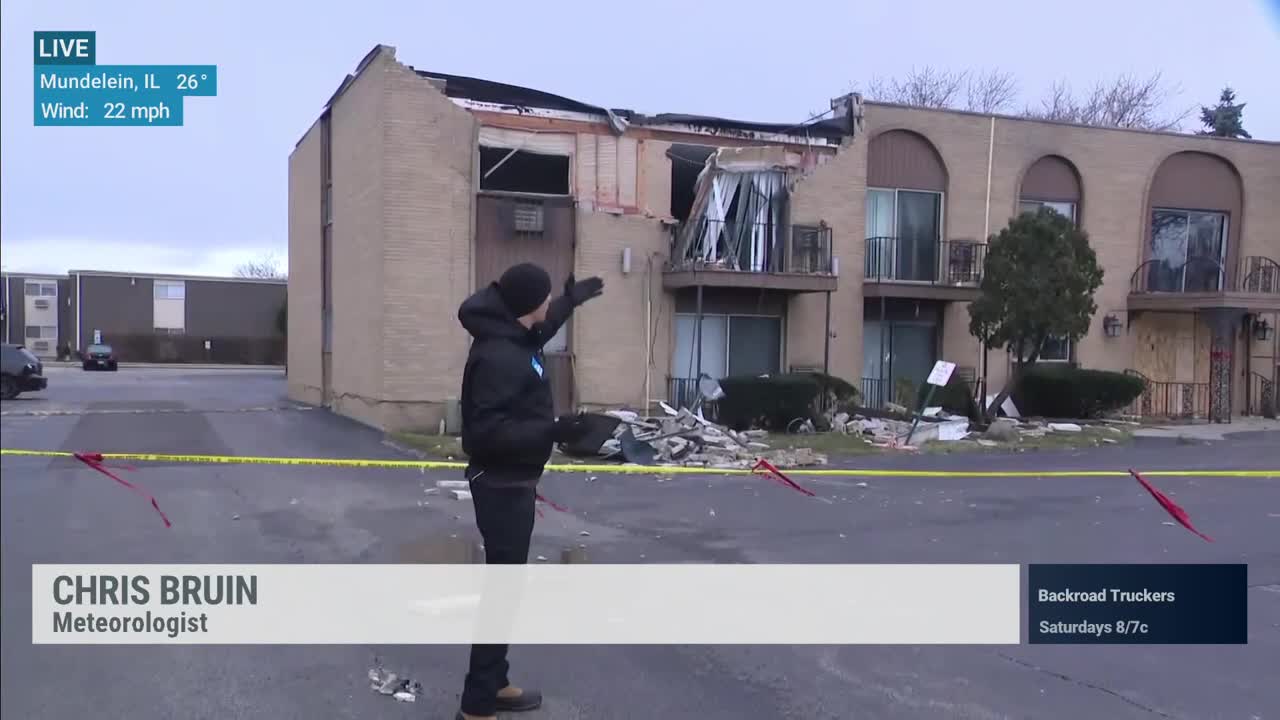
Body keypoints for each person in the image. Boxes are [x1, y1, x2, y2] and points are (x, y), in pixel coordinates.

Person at [454, 262, 604, 720]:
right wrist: (553, 431)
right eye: (545, 298)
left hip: (513, 482)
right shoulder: (500, 356)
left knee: (507, 591)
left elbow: (542, 324)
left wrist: (570, 303)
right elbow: (486, 435)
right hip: (500, 486)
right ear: (527, 307)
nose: (548, 305)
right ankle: (477, 705)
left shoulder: (517, 335)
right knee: (501, 595)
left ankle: (494, 683)